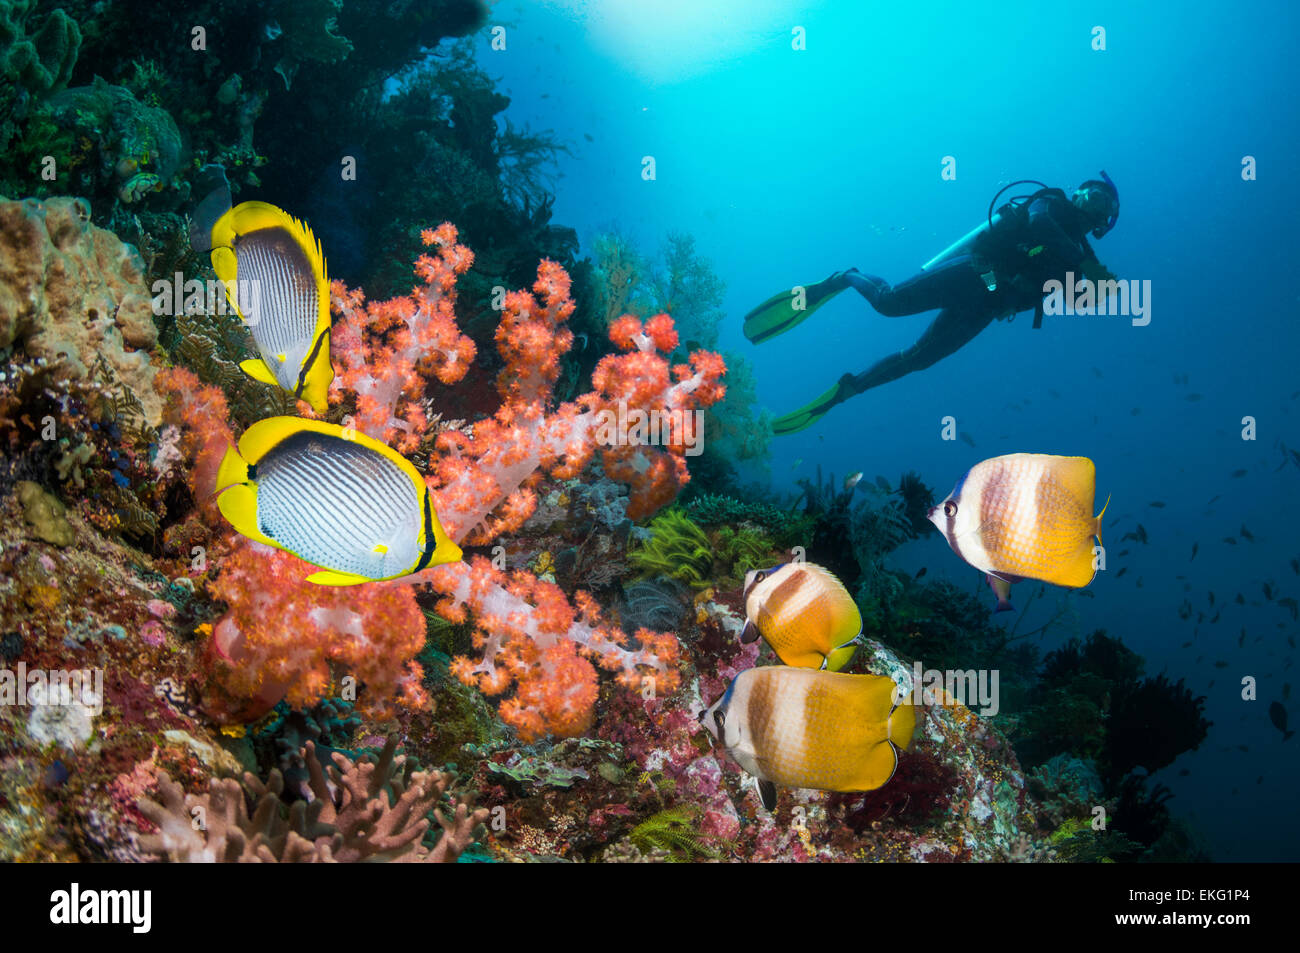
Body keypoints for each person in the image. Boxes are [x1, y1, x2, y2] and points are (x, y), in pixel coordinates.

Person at [745, 173, 1121, 435]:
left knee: (919, 360)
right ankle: (844, 277)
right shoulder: (1050, 203)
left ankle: (847, 390)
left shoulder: (1077, 257)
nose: (1091, 205)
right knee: (889, 303)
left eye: (1102, 205)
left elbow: (1066, 295)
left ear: (1105, 223)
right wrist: (1083, 265)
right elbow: (1039, 227)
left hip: (987, 307)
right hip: (979, 272)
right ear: (1078, 194)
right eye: (1091, 194)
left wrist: (1101, 291)